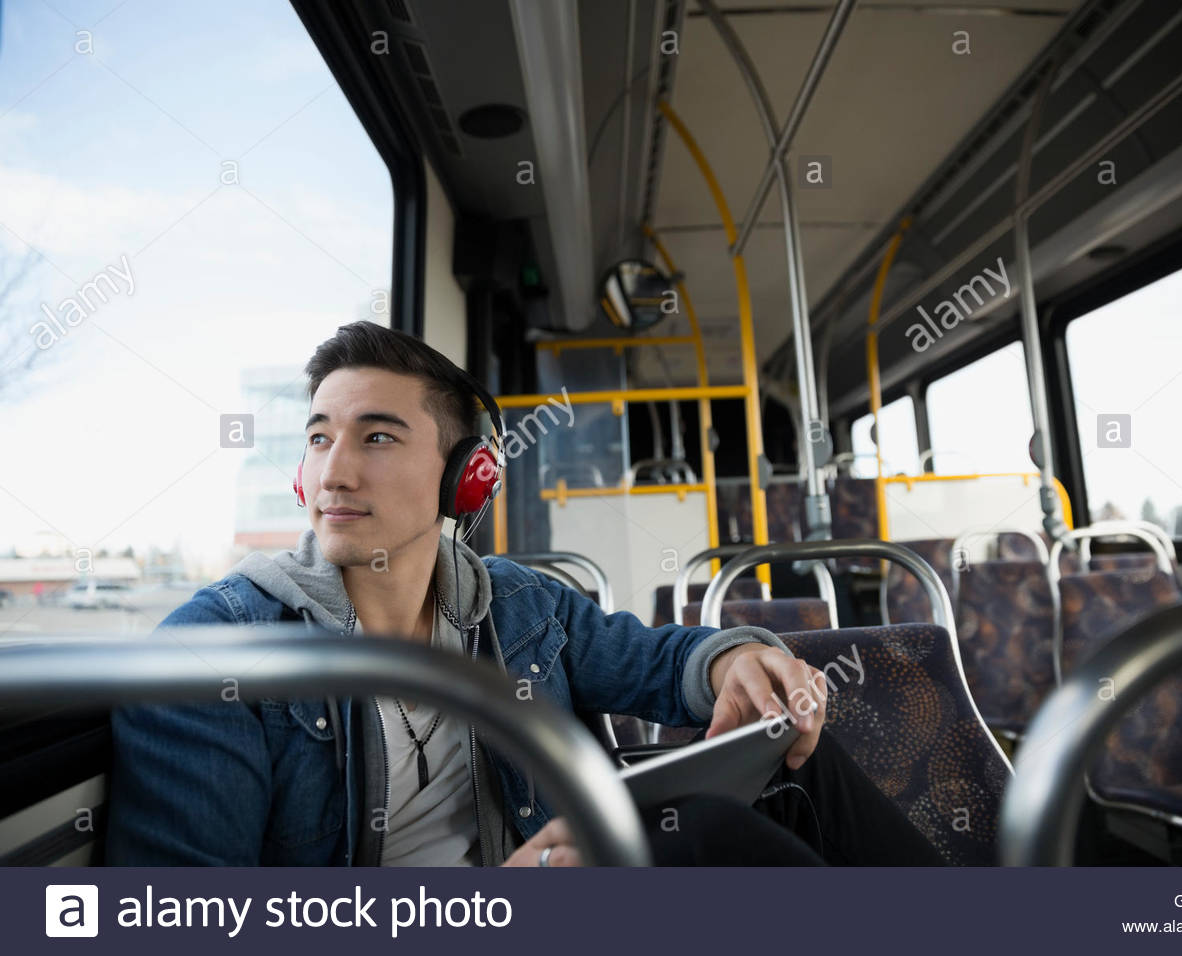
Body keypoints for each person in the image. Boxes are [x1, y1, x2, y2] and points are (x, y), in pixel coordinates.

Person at [107, 320, 943, 866]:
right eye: (320, 437)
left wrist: (737, 659)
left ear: (467, 480)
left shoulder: (518, 605)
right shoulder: (214, 650)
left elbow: (658, 661)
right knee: (715, 838)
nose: (335, 470)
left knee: (800, 760)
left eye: (378, 436)